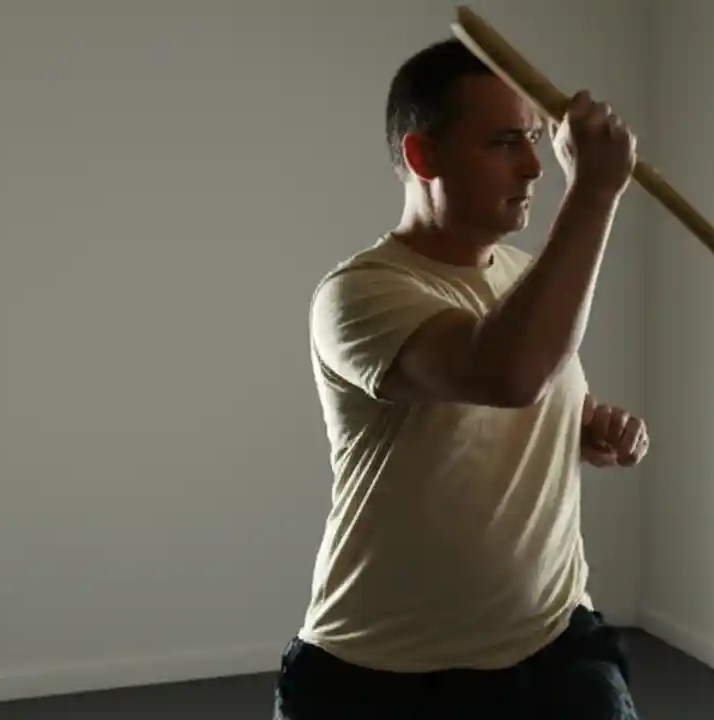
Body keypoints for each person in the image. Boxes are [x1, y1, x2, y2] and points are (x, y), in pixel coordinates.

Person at [273, 37, 650, 720]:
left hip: (553, 641)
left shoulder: (523, 276)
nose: (535, 166)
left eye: (535, 139)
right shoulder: (358, 294)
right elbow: (506, 373)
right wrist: (594, 192)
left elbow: (539, 388)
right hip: (383, 676)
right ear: (423, 155)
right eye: (506, 142)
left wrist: (589, 426)